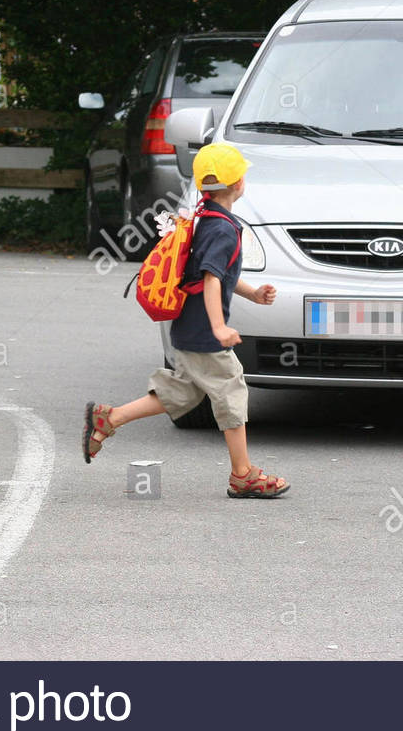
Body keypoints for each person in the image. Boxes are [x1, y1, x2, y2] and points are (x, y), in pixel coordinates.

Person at [82, 143, 290, 498]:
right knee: (232, 390)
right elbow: (211, 279)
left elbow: (218, 274)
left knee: (183, 391)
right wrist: (219, 327)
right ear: (239, 183)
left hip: (187, 327)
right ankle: (243, 475)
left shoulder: (203, 218)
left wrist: (252, 293)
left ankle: (109, 418)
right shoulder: (223, 229)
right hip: (203, 333)